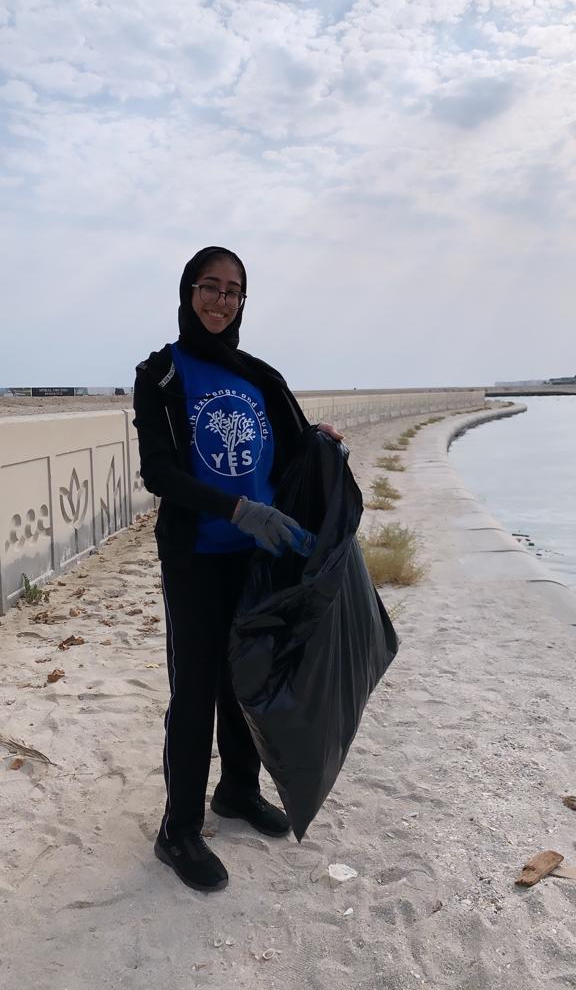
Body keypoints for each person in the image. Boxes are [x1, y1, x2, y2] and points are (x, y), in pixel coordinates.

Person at [133, 246, 342, 893]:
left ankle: (237, 791)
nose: (220, 301)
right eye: (210, 287)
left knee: (246, 679)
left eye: (232, 291)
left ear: (242, 302)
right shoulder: (162, 373)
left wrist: (321, 446)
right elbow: (160, 472)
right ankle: (179, 830)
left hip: (257, 558)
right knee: (195, 689)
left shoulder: (257, 375)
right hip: (196, 556)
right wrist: (237, 507)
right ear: (187, 292)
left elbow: (288, 452)